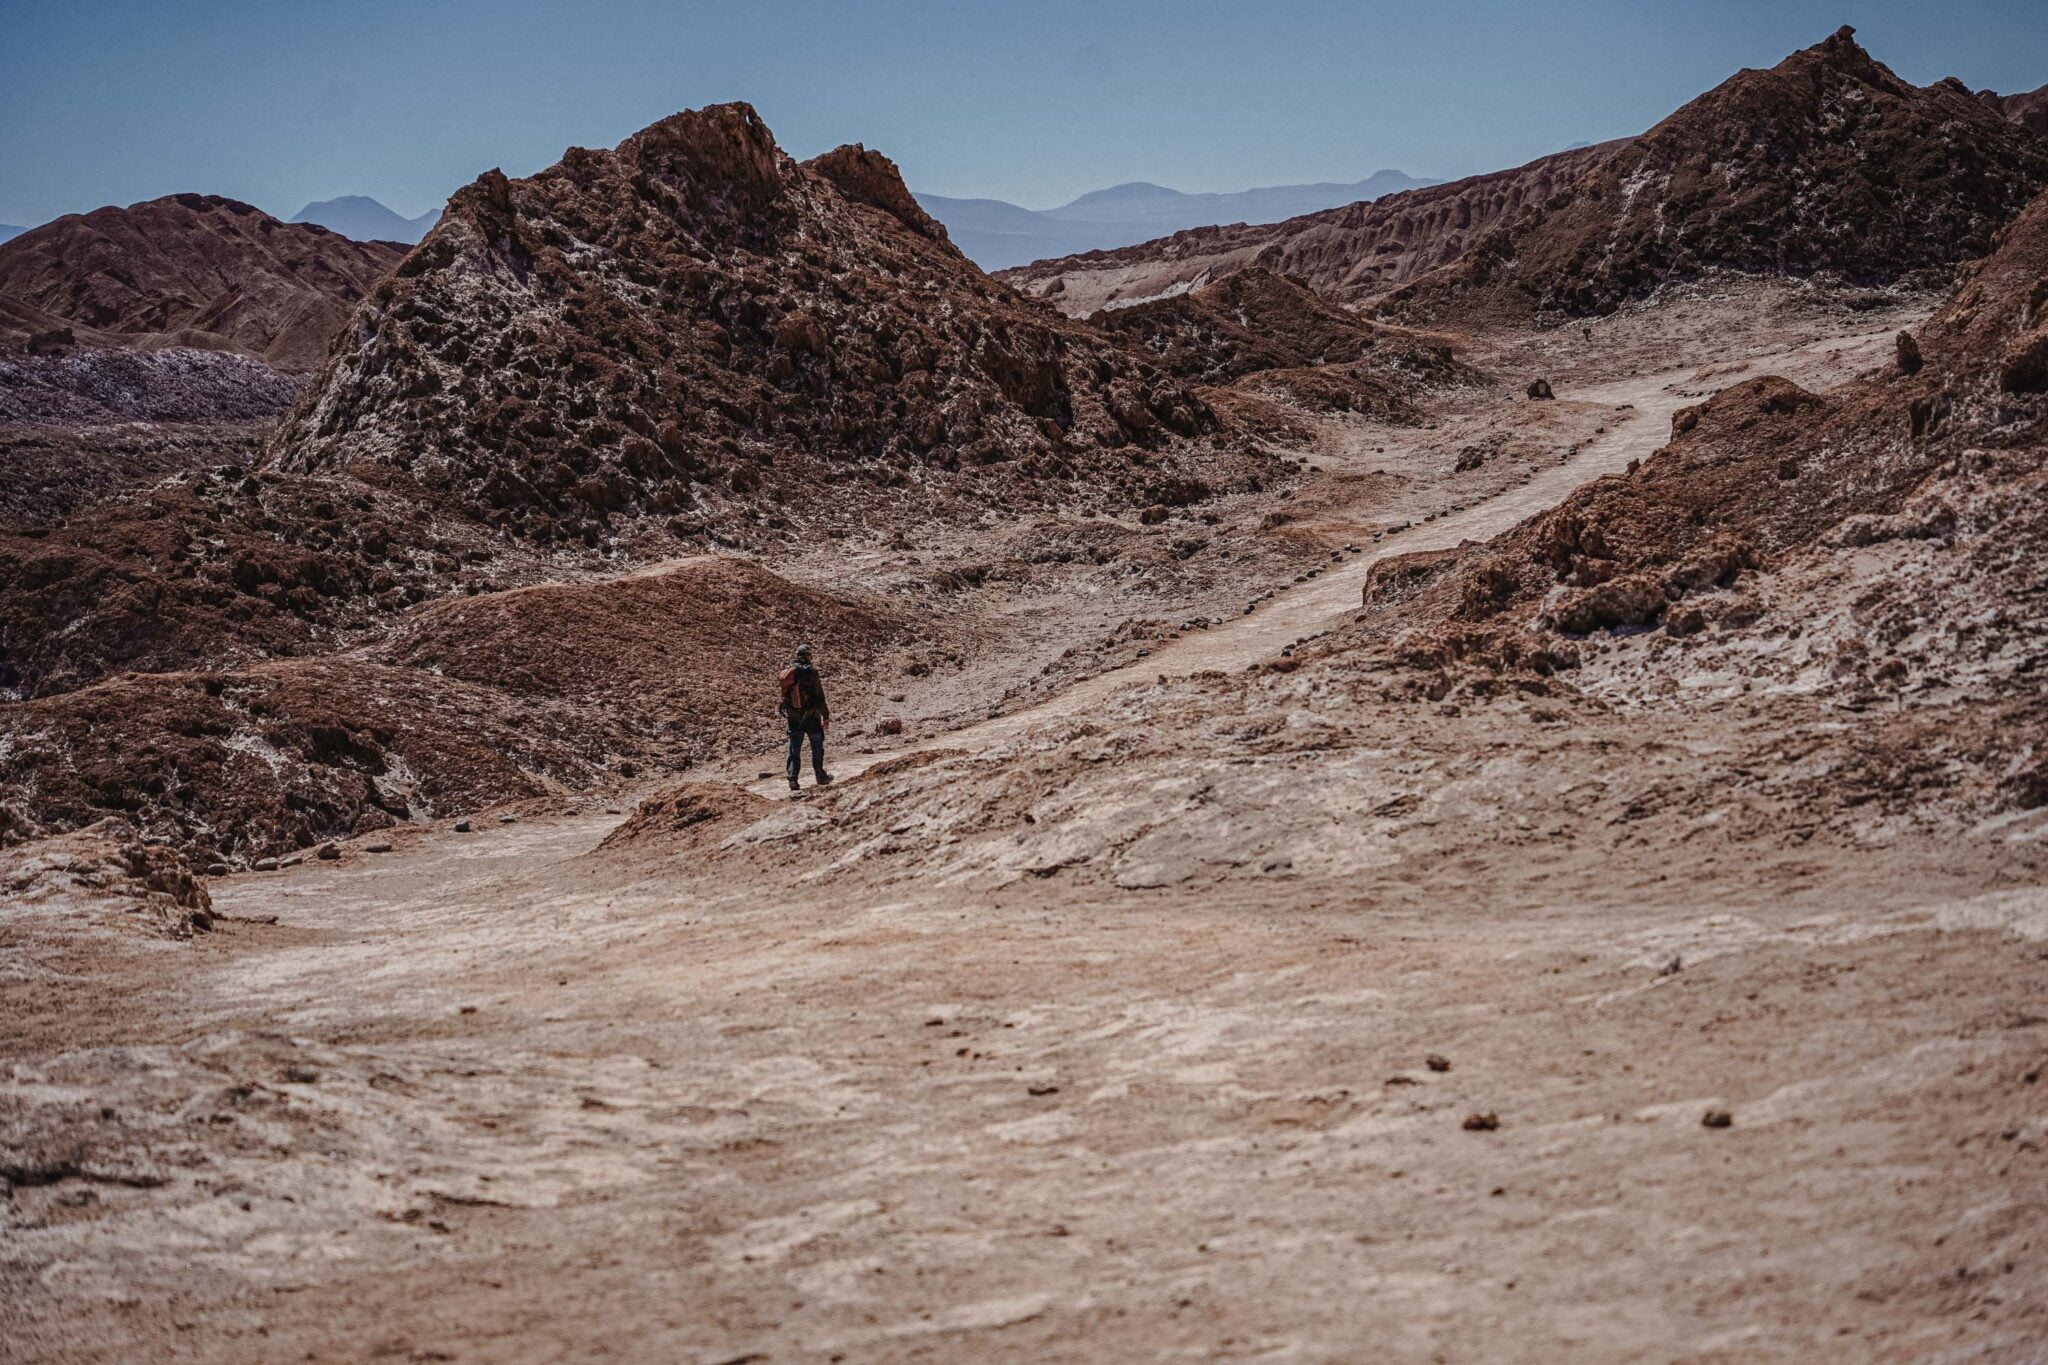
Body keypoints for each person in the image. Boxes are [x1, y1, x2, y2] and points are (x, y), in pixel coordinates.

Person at [778, 644, 831, 792]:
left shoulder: (789, 672)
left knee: (794, 747)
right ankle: (820, 776)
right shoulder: (811, 672)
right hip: (811, 717)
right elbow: (819, 696)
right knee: (817, 745)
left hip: (793, 717)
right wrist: (825, 715)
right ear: (808, 656)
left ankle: (793, 778)